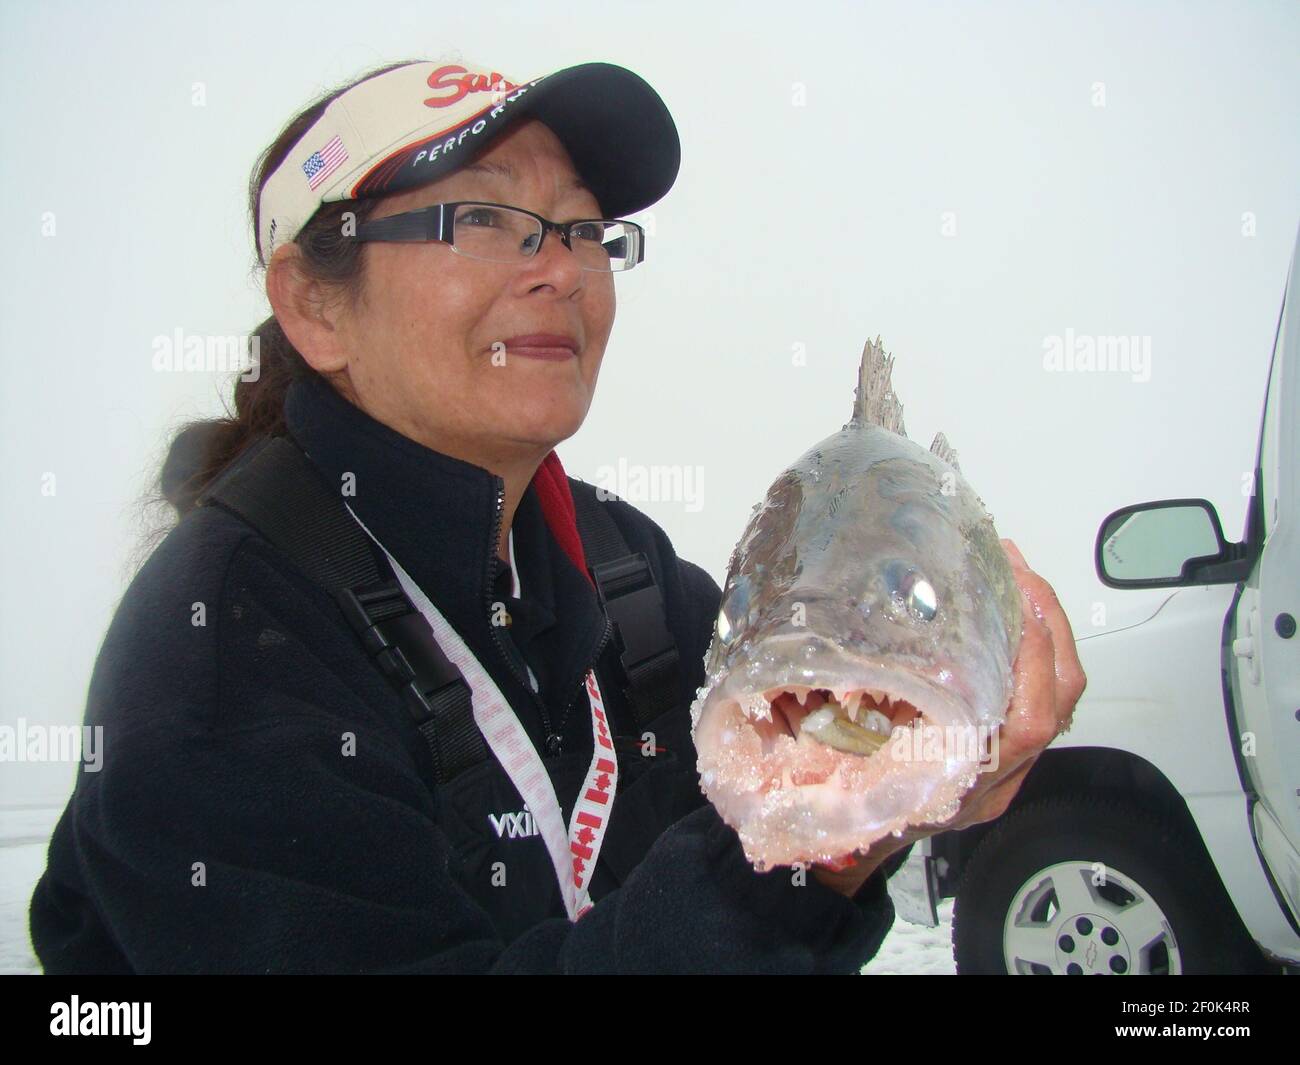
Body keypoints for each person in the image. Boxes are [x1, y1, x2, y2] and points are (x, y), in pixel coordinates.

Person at [28, 57, 1085, 974]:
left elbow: (783, 829)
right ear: (314, 303)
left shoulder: (628, 571)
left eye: (581, 228)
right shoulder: (223, 657)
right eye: (481, 218)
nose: (558, 270)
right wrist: (811, 857)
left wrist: (875, 770)